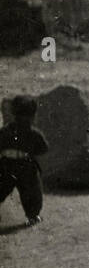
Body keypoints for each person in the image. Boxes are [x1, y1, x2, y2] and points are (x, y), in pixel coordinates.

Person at [0, 94, 48, 226]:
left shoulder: (5, 131)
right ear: (33, 116)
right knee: (32, 192)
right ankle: (33, 215)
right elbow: (43, 148)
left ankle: (33, 215)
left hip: (7, 164)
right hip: (25, 165)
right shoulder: (34, 133)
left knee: (3, 188)